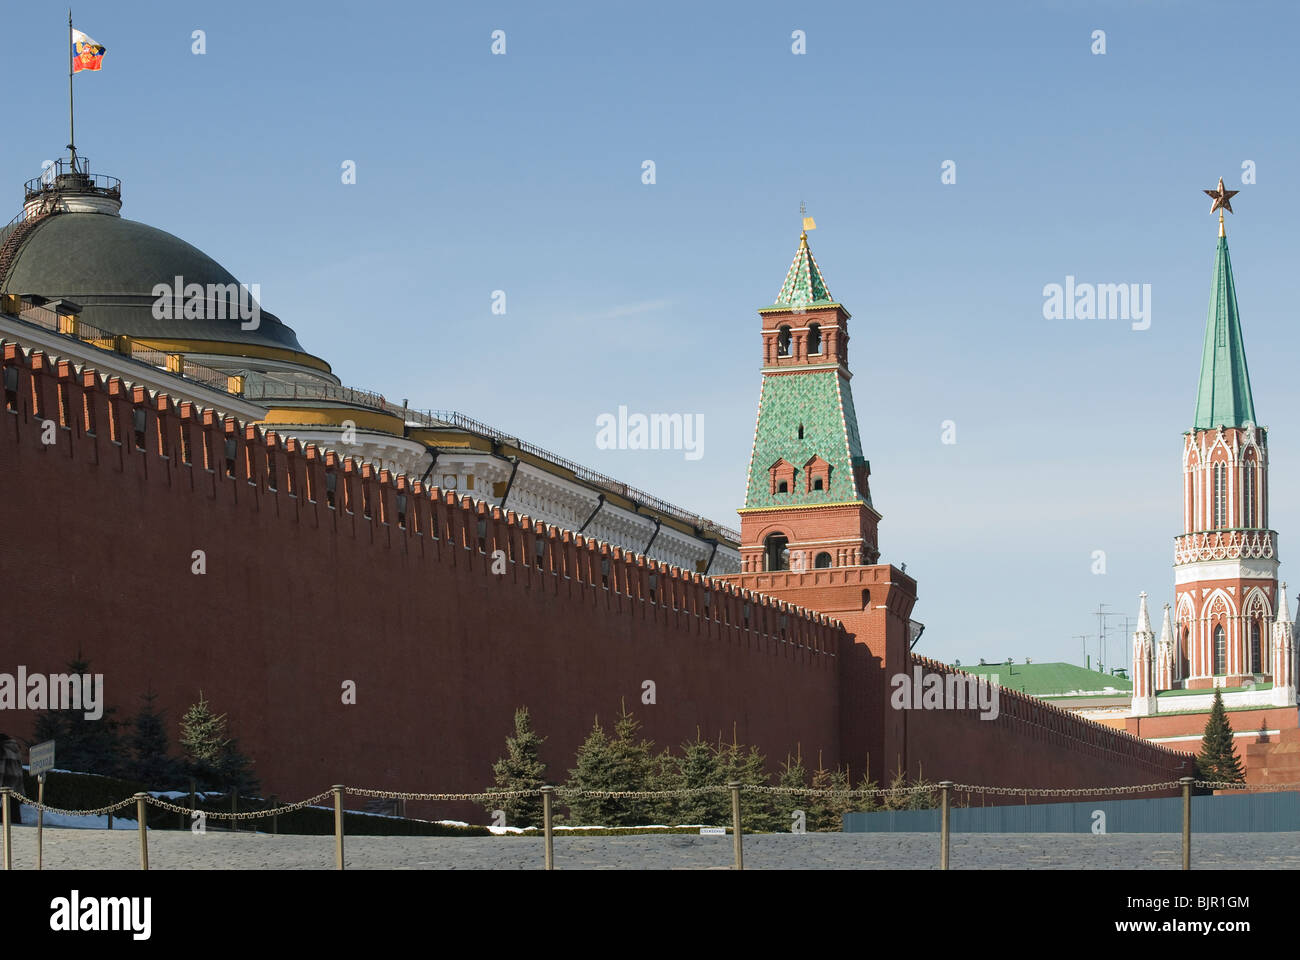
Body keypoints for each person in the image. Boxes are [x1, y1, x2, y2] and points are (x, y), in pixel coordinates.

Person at [0, 735, 24, 824]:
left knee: (4, 821)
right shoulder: (14, 748)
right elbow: (20, 771)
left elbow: (1, 771)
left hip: (3, 789)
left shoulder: (2, 748)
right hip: (14, 788)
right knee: (14, 818)